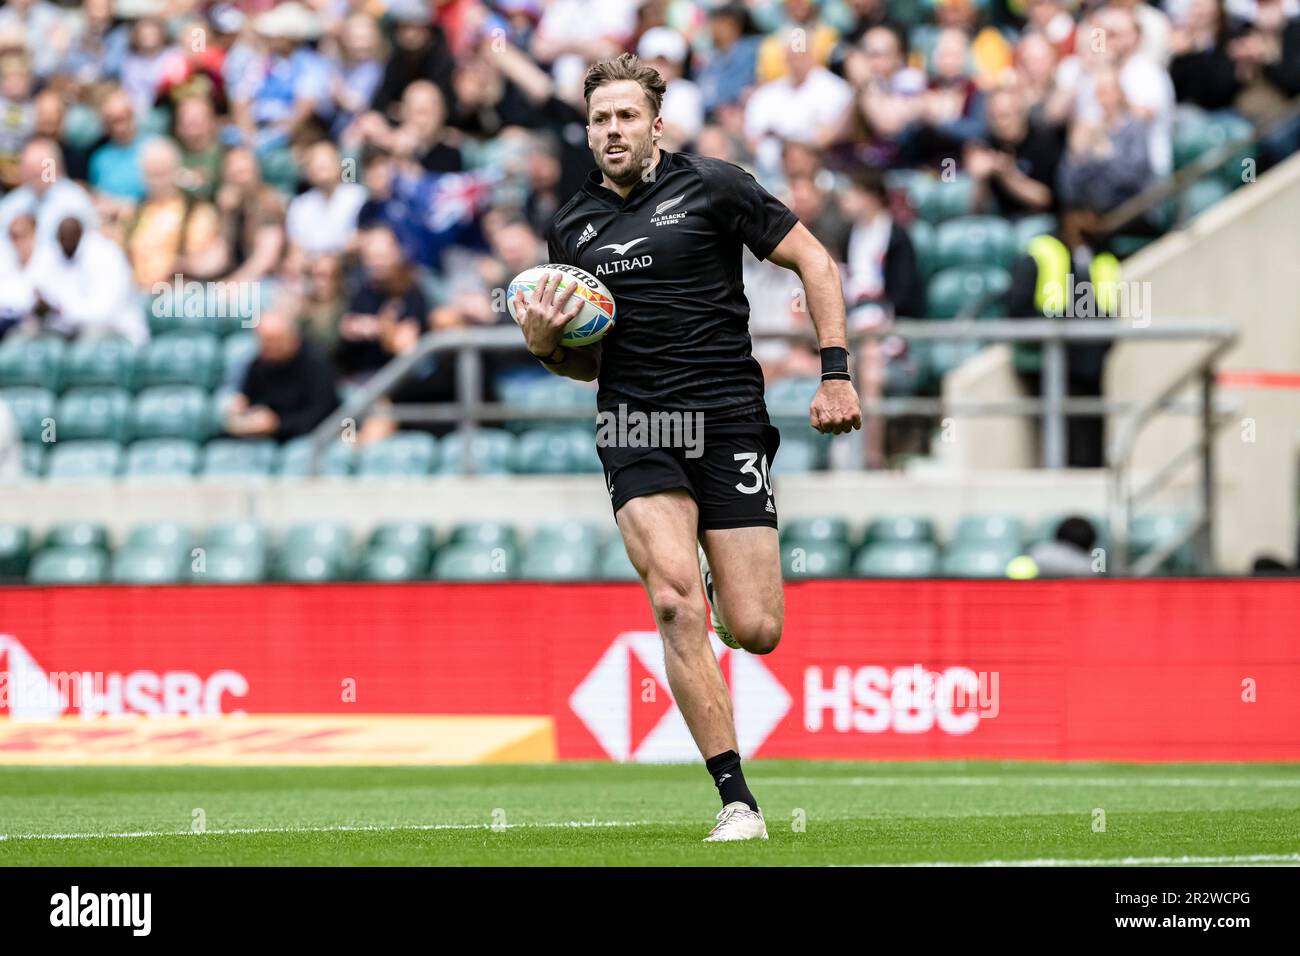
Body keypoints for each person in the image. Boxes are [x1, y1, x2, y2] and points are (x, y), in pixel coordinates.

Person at [513, 54, 861, 841]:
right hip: (636, 424)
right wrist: (543, 347)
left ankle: (722, 572)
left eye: (626, 116)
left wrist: (835, 371)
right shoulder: (570, 227)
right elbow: (582, 359)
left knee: (757, 628)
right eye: (599, 119)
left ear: (655, 124)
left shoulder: (716, 186)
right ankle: (737, 799)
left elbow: (814, 259)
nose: (612, 130)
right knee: (674, 602)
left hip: (728, 416)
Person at [226, 302, 339, 442]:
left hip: (306, 437)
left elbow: (323, 414)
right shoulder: (258, 363)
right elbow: (247, 399)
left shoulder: (317, 363)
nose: (268, 347)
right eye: (264, 341)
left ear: (292, 338)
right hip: (263, 438)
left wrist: (278, 424)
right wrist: (241, 409)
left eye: (274, 341)